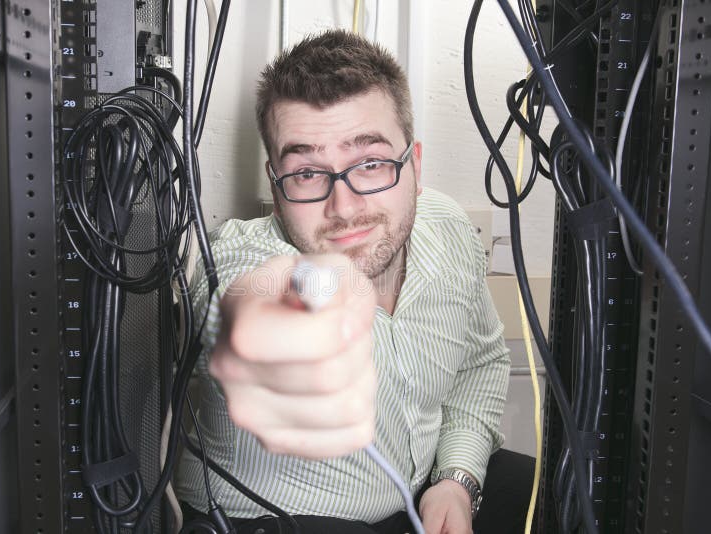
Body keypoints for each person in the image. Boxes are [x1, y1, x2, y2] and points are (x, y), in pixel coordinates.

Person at [176, 29, 533, 534]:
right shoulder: (241, 254)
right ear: (275, 185)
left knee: (567, 493)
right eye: (306, 173)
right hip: (276, 518)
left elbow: (480, 363)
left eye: (370, 163)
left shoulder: (447, 229)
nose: (343, 207)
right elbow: (238, 300)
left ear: (415, 164)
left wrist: (457, 478)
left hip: (420, 494)